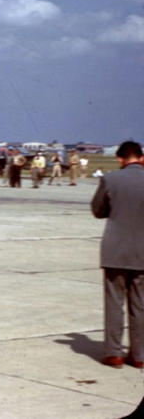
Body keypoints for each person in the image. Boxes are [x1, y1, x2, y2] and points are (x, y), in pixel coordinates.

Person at [91, 141, 144, 368]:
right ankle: (139, 355)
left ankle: (114, 353)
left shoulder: (110, 179)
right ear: (140, 158)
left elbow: (97, 210)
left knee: (114, 303)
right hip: (142, 252)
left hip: (115, 251)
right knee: (140, 305)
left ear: (121, 159)